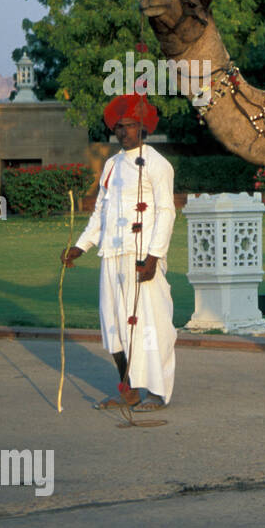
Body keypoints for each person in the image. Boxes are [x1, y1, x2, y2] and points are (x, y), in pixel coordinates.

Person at [63, 93, 177, 411]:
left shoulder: (158, 164)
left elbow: (167, 212)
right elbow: (101, 213)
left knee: (150, 326)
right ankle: (128, 390)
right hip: (111, 257)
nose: (122, 132)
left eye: (128, 126)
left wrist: (154, 257)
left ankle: (157, 391)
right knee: (113, 325)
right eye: (118, 126)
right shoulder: (111, 166)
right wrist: (80, 246)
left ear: (143, 128)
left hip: (142, 258)